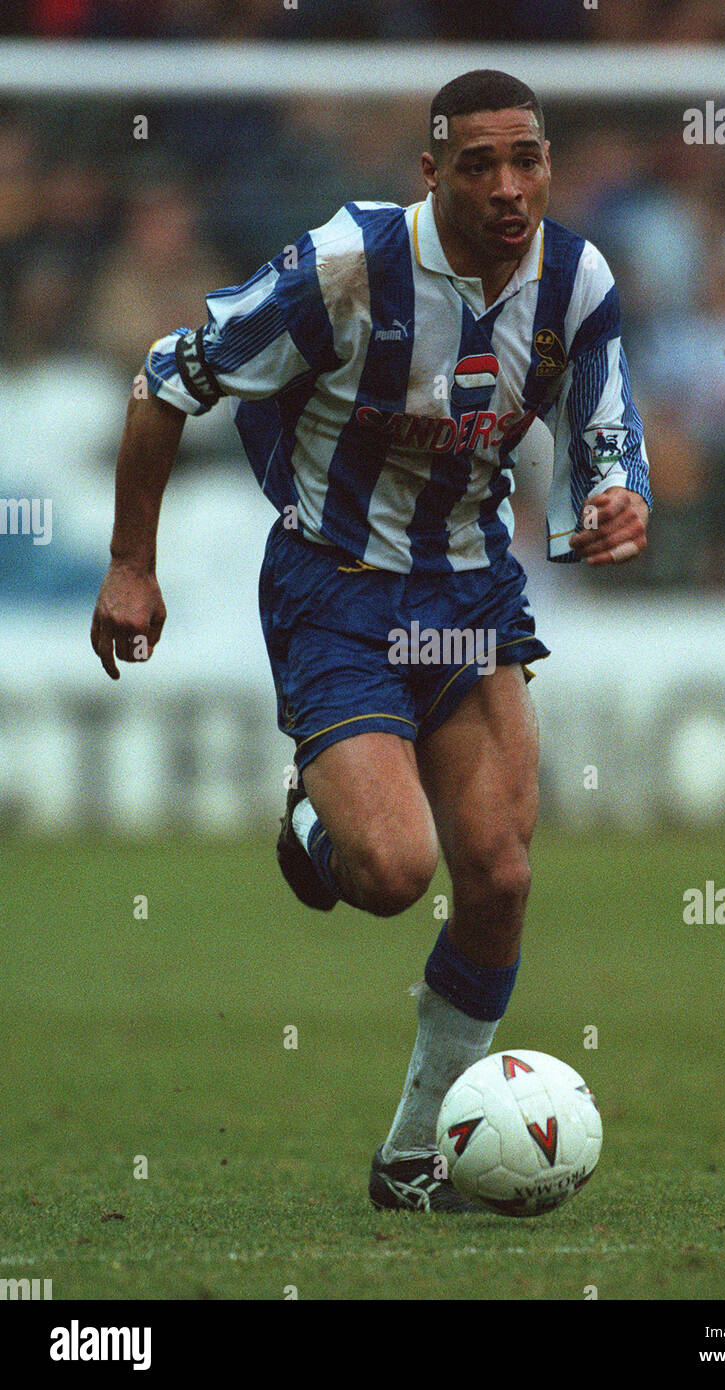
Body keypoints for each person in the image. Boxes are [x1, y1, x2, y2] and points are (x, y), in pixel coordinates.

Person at [91, 70, 651, 1211]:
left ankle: (411, 1160)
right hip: (335, 588)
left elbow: (602, 434)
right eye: (479, 164)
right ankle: (315, 816)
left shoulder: (575, 280)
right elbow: (163, 379)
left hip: (470, 595)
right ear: (430, 171)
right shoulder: (344, 269)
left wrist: (613, 497)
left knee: (495, 873)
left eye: (527, 161)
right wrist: (133, 566)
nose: (508, 187)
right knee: (395, 874)